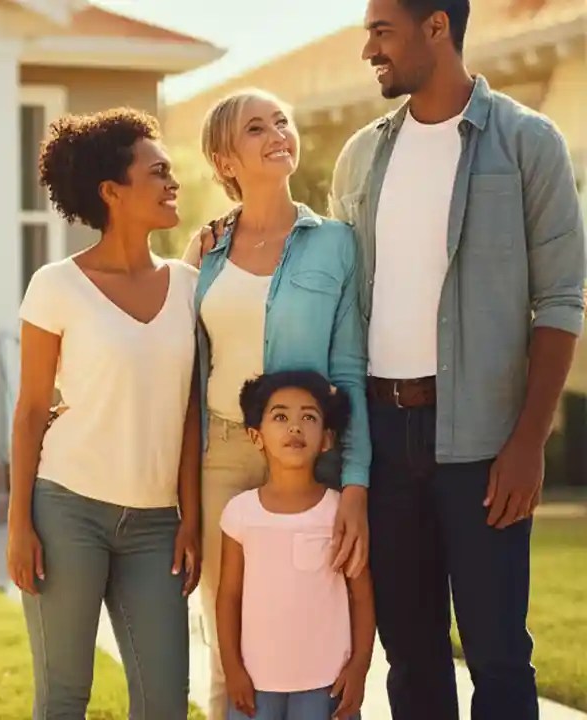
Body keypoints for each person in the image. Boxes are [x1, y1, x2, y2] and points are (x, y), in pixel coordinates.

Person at [328, 1, 586, 718]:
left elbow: (561, 300)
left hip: (484, 441)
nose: (368, 50)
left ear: (437, 26)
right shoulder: (360, 156)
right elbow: (333, 284)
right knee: (410, 656)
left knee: (497, 655)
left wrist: (529, 443)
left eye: (382, 32)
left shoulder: (528, 143)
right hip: (383, 436)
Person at [7, 107, 202, 719]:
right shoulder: (56, 285)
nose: (173, 182)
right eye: (158, 172)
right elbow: (31, 410)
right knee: (65, 696)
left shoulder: (190, 285)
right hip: (67, 510)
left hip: (157, 526)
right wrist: (19, 524)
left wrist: (191, 518)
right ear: (111, 191)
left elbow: (190, 412)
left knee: (165, 702)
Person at [183, 88, 371, 720]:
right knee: (227, 639)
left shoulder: (337, 243)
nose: (277, 134)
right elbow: (188, 365)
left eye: (281, 121)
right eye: (256, 128)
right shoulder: (205, 252)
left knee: (319, 630)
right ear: (224, 160)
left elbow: (349, 370)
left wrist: (355, 483)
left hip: (308, 457)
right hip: (223, 454)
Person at [217, 371, 375, 720]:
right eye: (280, 417)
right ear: (256, 436)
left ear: (327, 439)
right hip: (256, 687)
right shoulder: (240, 513)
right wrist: (233, 669)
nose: (294, 427)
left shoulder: (339, 513)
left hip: (326, 686)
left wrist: (359, 667)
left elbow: (362, 597)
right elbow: (228, 597)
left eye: (309, 417)